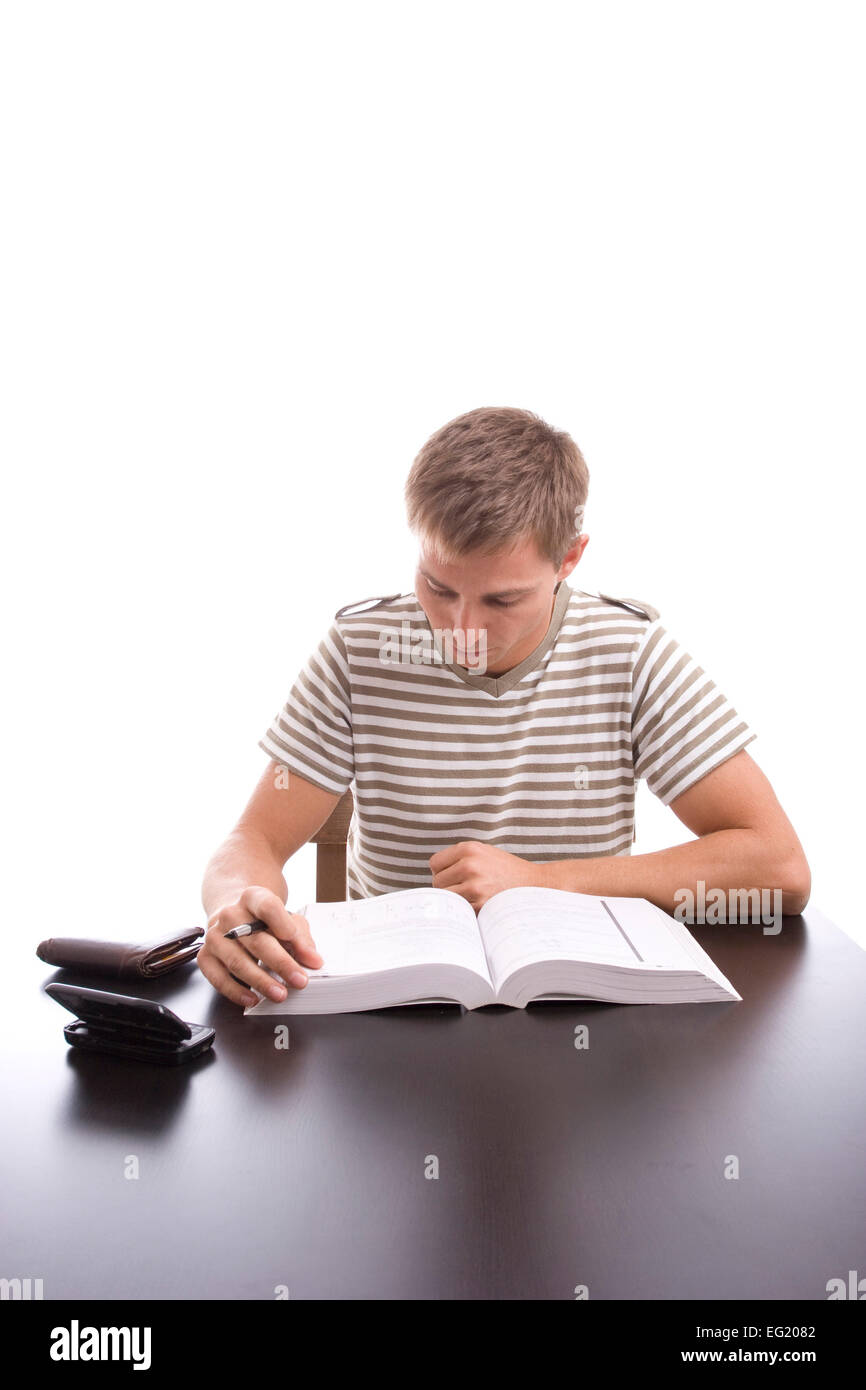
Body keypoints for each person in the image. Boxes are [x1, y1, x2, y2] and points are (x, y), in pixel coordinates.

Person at [197, 406, 811, 1007]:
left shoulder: (628, 653)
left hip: (579, 1007)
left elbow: (780, 868)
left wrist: (544, 882)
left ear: (569, 558)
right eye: (437, 587)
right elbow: (253, 840)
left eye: (502, 599)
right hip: (394, 1015)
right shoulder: (359, 650)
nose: (460, 627)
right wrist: (237, 904)